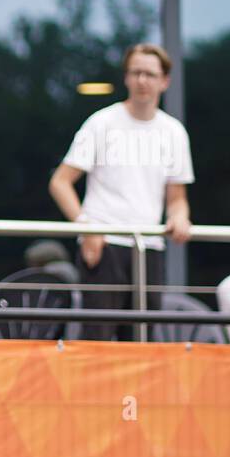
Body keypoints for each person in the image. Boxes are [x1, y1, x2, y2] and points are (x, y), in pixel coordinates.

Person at [48, 44, 193, 341]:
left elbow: (177, 199)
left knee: (141, 343)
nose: (142, 81)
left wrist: (180, 218)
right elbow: (60, 182)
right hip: (105, 243)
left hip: (149, 247)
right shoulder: (102, 123)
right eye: (136, 73)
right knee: (98, 340)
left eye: (150, 74)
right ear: (126, 78)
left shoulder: (173, 131)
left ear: (164, 81)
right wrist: (87, 228)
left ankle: (133, 392)